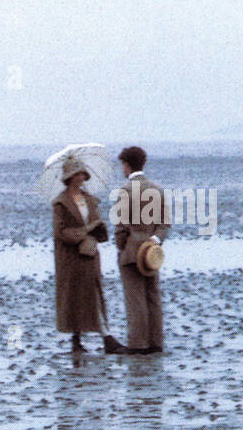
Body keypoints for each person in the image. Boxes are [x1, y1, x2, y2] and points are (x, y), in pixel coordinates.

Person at [51, 157, 128, 354]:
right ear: (69, 177)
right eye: (77, 174)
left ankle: (106, 337)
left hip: (89, 253)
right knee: (73, 296)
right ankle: (77, 339)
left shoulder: (89, 199)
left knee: (94, 293)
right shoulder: (60, 203)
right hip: (70, 258)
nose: (81, 177)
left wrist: (96, 229)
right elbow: (60, 232)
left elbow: (99, 227)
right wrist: (83, 231)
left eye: (82, 174)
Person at [113, 146, 170, 354]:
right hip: (152, 253)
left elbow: (121, 227)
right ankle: (156, 343)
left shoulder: (126, 191)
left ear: (127, 165)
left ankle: (138, 344)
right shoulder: (157, 189)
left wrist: (122, 249)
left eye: (122, 165)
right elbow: (165, 224)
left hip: (131, 252)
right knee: (153, 297)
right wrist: (154, 241)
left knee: (135, 299)